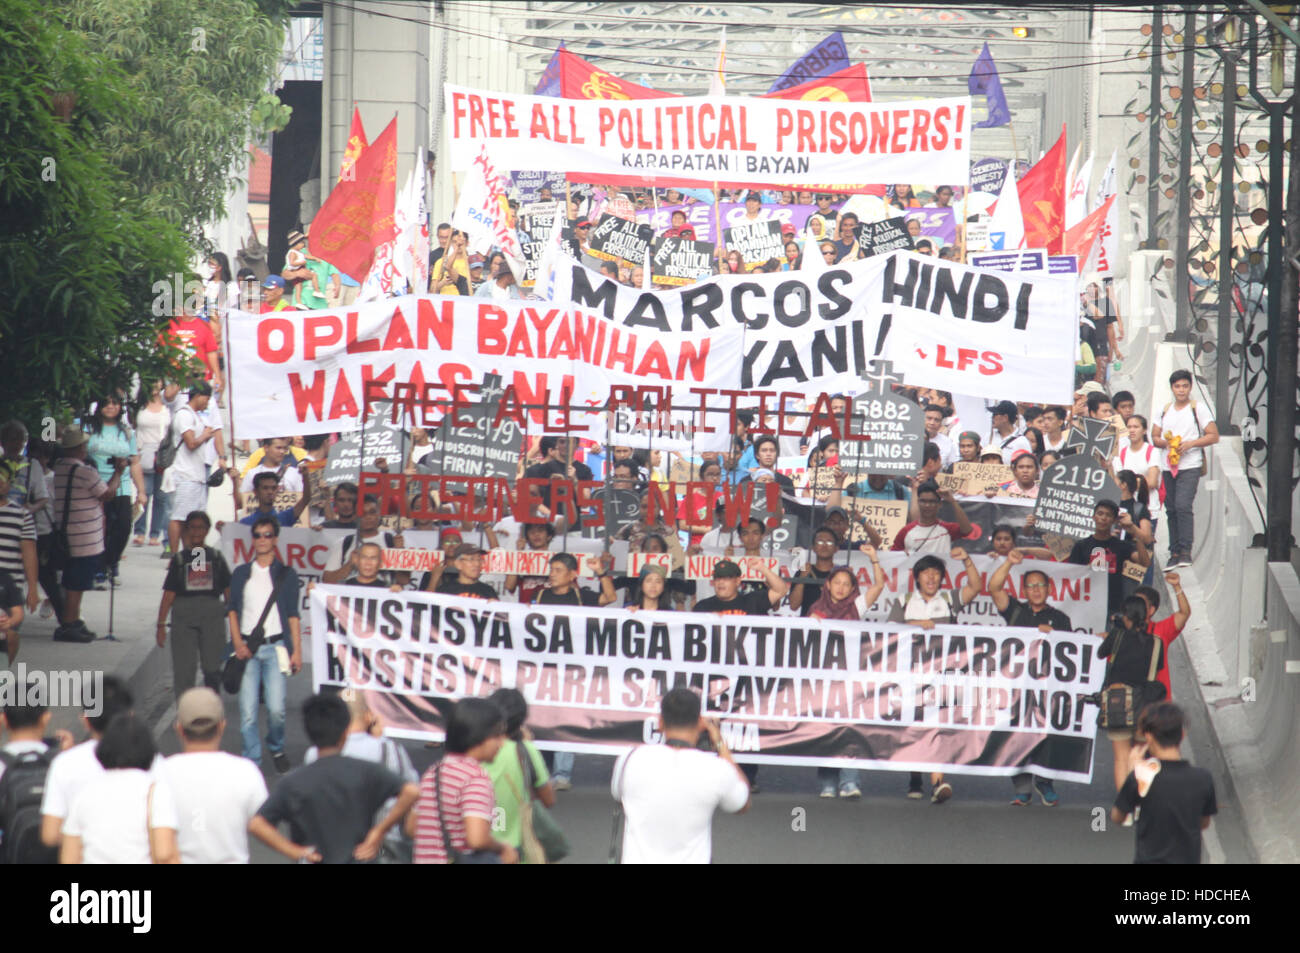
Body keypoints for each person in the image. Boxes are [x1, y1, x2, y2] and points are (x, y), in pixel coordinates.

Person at [251, 694, 418, 864]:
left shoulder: (293, 782)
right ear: (345, 732)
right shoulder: (366, 770)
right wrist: (379, 832)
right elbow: (411, 791)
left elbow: (257, 824)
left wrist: (296, 852)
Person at [612, 687, 750, 864]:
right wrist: (718, 741)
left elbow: (617, 794)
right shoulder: (716, 769)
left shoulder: (629, 759)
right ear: (700, 723)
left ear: (660, 722)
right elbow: (741, 803)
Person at [891, 548, 982, 803]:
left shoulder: (949, 599)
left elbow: (975, 586)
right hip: (912, 675)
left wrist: (966, 559)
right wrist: (916, 625)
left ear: (942, 578)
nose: (931, 578)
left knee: (936, 725)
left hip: (943, 676)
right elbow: (887, 633)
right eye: (926, 573)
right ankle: (916, 777)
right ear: (917, 577)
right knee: (916, 724)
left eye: (936, 574)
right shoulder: (905, 601)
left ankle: (937, 782)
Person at [986, 550, 1072, 806]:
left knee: (1045, 735)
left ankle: (1045, 783)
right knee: (1016, 736)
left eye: (1040, 585)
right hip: (1016, 684)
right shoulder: (1015, 611)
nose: (1035, 590)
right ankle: (1022, 788)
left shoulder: (1060, 618)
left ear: (1048, 589)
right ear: (1024, 590)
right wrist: (1010, 562)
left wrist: (1053, 634)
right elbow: (994, 587)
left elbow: (1070, 652)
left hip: (1046, 687)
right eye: (1031, 586)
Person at [302, 689, 419, 863]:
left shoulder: (314, 754)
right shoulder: (389, 750)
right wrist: (381, 738)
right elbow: (412, 794)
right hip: (380, 848)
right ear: (368, 716)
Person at [227, 515, 302, 772]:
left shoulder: (286, 574)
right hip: (246, 649)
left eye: (267, 535)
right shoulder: (241, 573)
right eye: (257, 535)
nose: (262, 540)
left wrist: (297, 652)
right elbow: (232, 610)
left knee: (276, 709)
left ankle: (276, 745)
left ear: (275, 539)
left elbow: (293, 615)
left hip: (277, 648)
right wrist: (237, 643)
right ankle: (252, 759)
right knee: (247, 712)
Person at [158, 688, 268, 864]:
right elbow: (263, 822)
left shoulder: (160, 774)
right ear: (221, 726)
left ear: (179, 728)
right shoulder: (245, 771)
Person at [410, 697, 518, 864]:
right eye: (497, 735)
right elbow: (477, 839)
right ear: (479, 736)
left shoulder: (434, 772)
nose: (502, 743)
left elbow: (411, 826)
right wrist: (503, 848)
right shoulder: (475, 778)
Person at [59, 715, 179, 864]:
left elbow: (69, 859)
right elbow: (164, 854)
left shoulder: (83, 795)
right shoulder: (155, 792)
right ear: (147, 749)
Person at [1111, 702, 1215, 860]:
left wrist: (1134, 772)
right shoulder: (1203, 778)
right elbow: (1203, 822)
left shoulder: (1142, 776)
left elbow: (1118, 816)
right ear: (1182, 734)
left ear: (1149, 736)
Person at [52, 426, 124, 643]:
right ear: (79, 448)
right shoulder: (86, 472)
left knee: (72, 580)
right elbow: (107, 494)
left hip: (65, 533)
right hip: (85, 537)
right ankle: (69, 623)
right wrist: (119, 472)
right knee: (77, 583)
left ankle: (72, 620)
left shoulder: (59, 467)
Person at [157, 511, 232, 695]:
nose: (197, 532)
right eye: (192, 527)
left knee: (213, 669)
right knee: (184, 672)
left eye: (201, 528)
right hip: (184, 616)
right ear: (187, 530)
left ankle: (212, 713)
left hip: (212, 616)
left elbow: (228, 591)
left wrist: (234, 619)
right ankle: (185, 716)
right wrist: (160, 624)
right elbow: (169, 594)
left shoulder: (216, 557)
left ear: (207, 531)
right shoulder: (180, 559)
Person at [1097, 595, 1166, 794]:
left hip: (1119, 702)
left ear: (1126, 616)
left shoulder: (1117, 636)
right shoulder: (1156, 643)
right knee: (1141, 753)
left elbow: (1101, 653)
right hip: (1145, 704)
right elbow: (1158, 666)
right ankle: (1141, 799)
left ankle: (1125, 805)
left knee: (1121, 757)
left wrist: (1114, 630)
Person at [1150, 369, 1219, 569]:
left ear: (1190, 387)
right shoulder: (1164, 409)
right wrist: (1167, 444)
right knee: (1171, 508)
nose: (1181, 390)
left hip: (1190, 464)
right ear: (1172, 388)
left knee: (1182, 504)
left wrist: (1189, 444)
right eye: (1177, 386)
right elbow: (1154, 436)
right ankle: (1174, 551)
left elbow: (1213, 435)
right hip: (1167, 465)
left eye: (1185, 386)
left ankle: (1186, 549)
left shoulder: (1198, 408)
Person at [484, 688, 555, 863]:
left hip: (476, 847)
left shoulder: (474, 748)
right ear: (521, 720)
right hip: (515, 849)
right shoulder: (525, 751)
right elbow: (548, 799)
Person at [166, 381, 224, 554]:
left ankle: (189, 555)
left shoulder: (196, 415)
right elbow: (191, 443)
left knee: (193, 520)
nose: (208, 403)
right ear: (198, 396)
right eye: (207, 399)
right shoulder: (184, 415)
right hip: (185, 474)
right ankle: (175, 556)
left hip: (196, 475)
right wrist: (205, 436)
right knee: (179, 517)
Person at [1067, 500, 1150, 615]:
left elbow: (1145, 563)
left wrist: (1135, 533)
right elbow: (1070, 576)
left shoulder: (1121, 546)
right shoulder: (1081, 546)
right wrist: (1088, 569)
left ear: (1115, 520)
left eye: (1108, 515)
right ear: (1093, 517)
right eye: (1100, 514)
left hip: (1113, 607)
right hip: (1086, 605)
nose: (1103, 518)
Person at [1135, 574, 1191, 701]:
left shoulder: (1161, 630)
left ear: (1151, 610)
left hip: (1159, 707)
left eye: (1140, 603)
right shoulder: (1122, 632)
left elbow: (1184, 613)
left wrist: (1177, 587)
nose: (1135, 607)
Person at [131, 386, 172, 549]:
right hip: (144, 451)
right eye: (151, 382)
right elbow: (133, 426)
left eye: (158, 381)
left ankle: (155, 533)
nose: (154, 385)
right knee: (144, 493)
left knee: (161, 497)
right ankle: (140, 531)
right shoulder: (139, 406)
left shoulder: (168, 405)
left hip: (162, 453)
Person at [893, 481, 973, 555]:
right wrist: (902, 555)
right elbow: (892, 557)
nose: (927, 505)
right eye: (923, 501)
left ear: (939, 504)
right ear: (918, 502)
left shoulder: (947, 529)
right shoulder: (905, 531)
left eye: (932, 502)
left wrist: (952, 500)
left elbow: (967, 530)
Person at [693, 558, 788, 615]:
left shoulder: (753, 601)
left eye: (726, 578)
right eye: (717, 578)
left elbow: (781, 590)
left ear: (737, 581)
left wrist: (762, 568)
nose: (721, 582)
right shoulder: (702, 607)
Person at [534, 552, 616, 607]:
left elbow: (610, 598)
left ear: (572, 574)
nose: (552, 574)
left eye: (558, 570)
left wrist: (599, 571)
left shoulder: (582, 596)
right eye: (551, 570)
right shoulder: (540, 595)